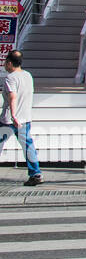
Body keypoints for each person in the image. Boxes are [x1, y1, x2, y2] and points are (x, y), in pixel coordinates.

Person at [0, 51, 41, 186]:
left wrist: (13, 115)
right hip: (25, 118)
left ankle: (35, 174)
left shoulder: (10, 78)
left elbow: (13, 97)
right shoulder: (28, 76)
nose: (4, 65)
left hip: (10, 119)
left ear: (10, 63)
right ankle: (36, 174)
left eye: (6, 62)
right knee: (28, 145)